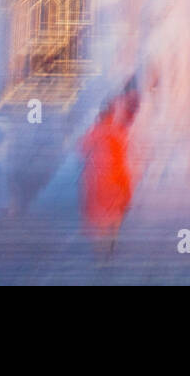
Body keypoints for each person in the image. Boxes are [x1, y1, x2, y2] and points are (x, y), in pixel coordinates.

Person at [79, 88, 140, 256]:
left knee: (99, 213)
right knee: (115, 211)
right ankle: (110, 241)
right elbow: (124, 153)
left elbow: (82, 148)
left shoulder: (95, 131)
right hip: (114, 176)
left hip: (96, 177)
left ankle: (100, 247)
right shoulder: (118, 132)